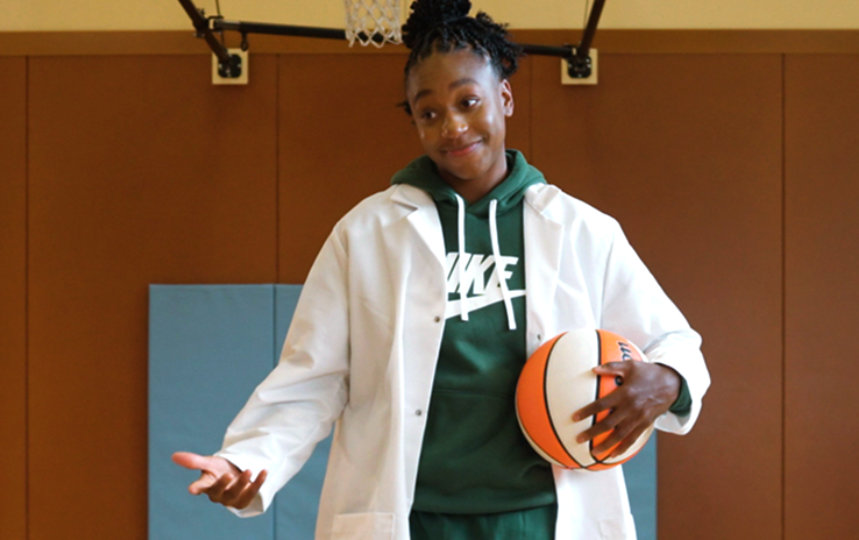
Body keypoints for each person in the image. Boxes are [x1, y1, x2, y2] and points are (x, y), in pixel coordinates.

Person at [172, 0, 710, 538]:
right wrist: (244, 461)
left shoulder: (579, 230)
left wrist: (669, 379)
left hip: (543, 517)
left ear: (504, 99)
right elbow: (313, 377)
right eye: (429, 113)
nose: (453, 125)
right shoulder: (366, 234)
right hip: (411, 517)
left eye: (468, 102)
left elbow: (671, 339)